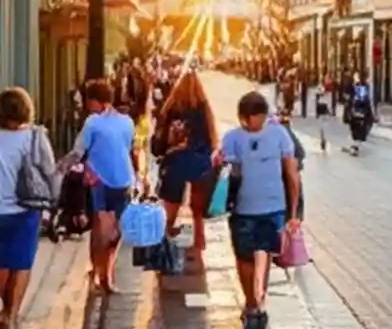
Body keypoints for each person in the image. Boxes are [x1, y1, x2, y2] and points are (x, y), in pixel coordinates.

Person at [220, 92, 302, 329]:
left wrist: (293, 213)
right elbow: (224, 174)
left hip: (273, 208)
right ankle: (251, 302)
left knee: (264, 255)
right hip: (242, 210)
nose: (250, 123)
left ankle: (258, 301)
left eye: (255, 117)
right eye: (246, 118)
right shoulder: (232, 138)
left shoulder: (279, 134)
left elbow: (291, 173)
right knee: (245, 258)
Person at [60, 78, 139, 293]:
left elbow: (78, 151)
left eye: (88, 100)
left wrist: (60, 168)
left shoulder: (93, 122)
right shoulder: (126, 121)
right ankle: (102, 274)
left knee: (107, 230)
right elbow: (131, 150)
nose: (86, 105)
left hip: (107, 180)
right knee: (110, 229)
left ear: (96, 101)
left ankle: (101, 272)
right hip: (116, 180)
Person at [0, 87, 56, 326]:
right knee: (21, 262)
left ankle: (5, 309)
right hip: (26, 209)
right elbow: (49, 171)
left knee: (2, 262)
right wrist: (53, 201)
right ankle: (11, 315)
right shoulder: (34, 136)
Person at [154, 72, 219, 260]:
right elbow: (212, 138)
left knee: (171, 205)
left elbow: (162, 137)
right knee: (197, 208)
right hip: (200, 161)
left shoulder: (172, 108)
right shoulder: (204, 109)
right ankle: (199, 241)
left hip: (176, 160)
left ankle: (164, 240)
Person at [343, 73, 375, 155]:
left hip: (359, 111)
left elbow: (365, 100)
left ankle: (355, 146)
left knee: (358, 129)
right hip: (357, 112)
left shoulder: (362, 87)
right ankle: (354, 146)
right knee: (356, 129)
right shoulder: (355, 87)